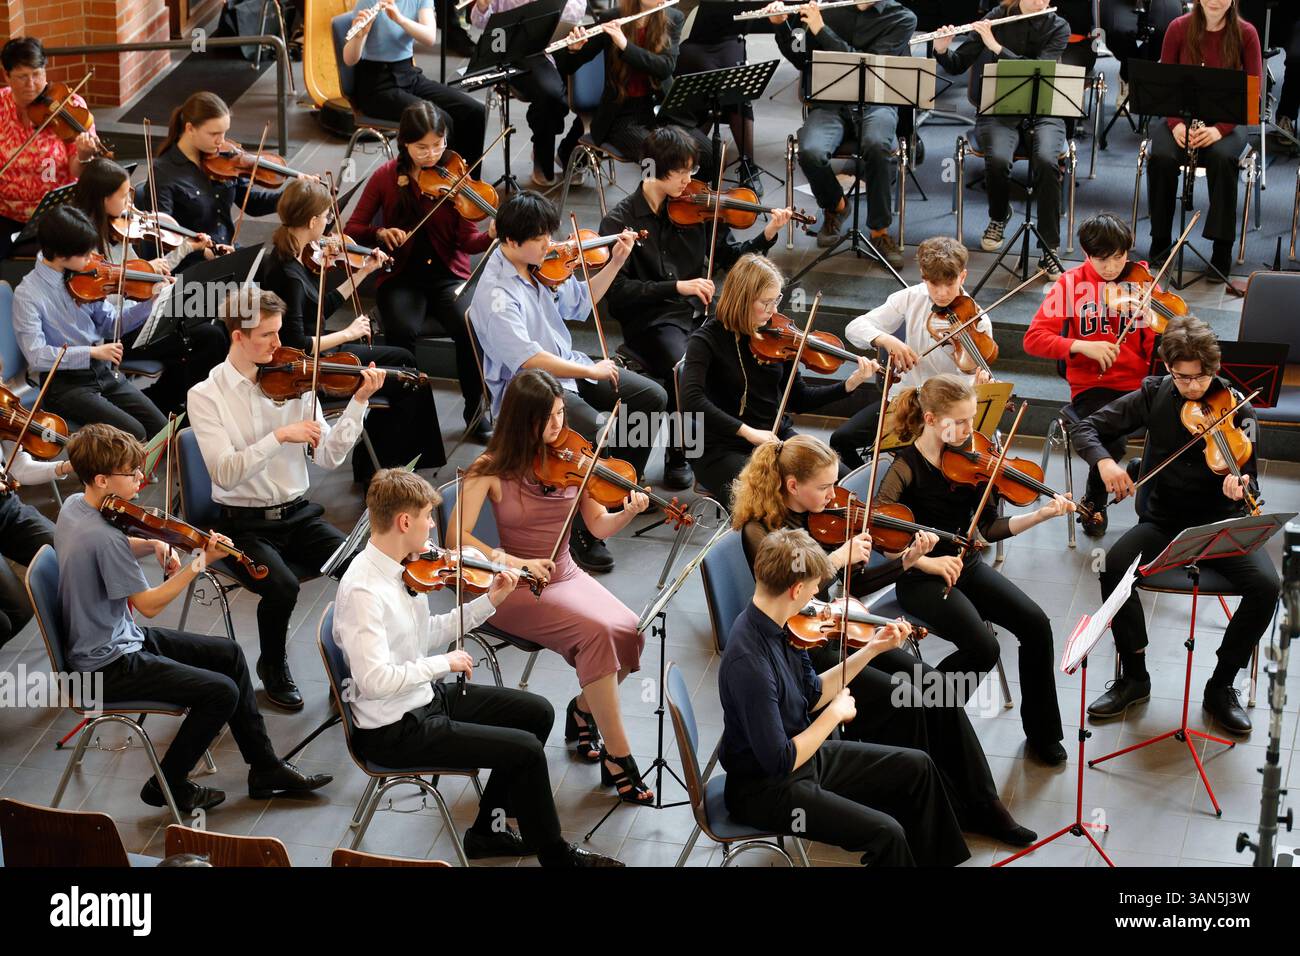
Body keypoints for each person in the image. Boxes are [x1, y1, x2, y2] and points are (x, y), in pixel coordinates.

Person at [730, 435, 1036, 846]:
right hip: (804, 652)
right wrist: (836, 558)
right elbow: (798, 598)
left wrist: (903, 564)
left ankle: (983, 803)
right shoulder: (759, 532)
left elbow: (852, 588)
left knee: (933, 688)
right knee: (904, 700)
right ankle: (933, 800)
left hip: (840, 627)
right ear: (790, 485)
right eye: (823, 487)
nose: (833, 495)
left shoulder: (820, 514)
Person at [335, 468, 623, 866]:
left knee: (536, 712)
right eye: (426, 517)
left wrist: (489, 602)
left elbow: (425, 629)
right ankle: (556, 856)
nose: (433, 525)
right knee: (523, 751)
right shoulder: (364, 591)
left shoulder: (406, 565)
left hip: (422, 698)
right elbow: (374, 680)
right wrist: (443, 663)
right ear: (404, 522)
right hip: (394, 728)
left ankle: (490, 830)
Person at [54, 423, 332, 813]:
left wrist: (153, 541)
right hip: (106, 664)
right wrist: (199, 562)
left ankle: (265, 769)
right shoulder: (103, 537)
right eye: (131, 473)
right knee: (222, 692)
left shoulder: (75, 507)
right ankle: (169, 783)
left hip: (113, 638)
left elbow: (109, 554)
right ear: (101, 479)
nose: (141, 479)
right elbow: (149, 604)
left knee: (230, 654)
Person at [456, 369, 655, 806]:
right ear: (521, 420)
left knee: (629, 628)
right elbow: (456, 538)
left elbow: (597, 523)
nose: (558, 427)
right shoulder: (488, 469)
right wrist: (512, 560)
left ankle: (583, 711)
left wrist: (628, 511)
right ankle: (620, 757)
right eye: (547, 418)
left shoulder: (571, 458)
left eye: (562, 414)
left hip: (563, 573)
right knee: (597, 634)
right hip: (512, 586)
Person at [1072, 316, 1278, 734]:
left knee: (1267, 587)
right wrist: (1106, 462)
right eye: (1181, 377)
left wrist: (1242, 486)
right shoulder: (1154, 393)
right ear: (1168, 369)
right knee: (1114, 569)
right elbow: (1085, 427)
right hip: (1166, 520)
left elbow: (1251, 474)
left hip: (1222, 522)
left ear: (1213, 369)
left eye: (1199, 378)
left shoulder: (1240, 408)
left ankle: (1220, 686)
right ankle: (1135, 676)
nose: (1191, 387)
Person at [718, 527, 971, 866]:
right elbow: (781, 759)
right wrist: (833, 716)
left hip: (804, 758)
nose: (815, 601)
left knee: (918, 767)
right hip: (768, 790)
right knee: (887, 833)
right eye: (812, 590)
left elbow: (812, 691)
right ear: (795, 590)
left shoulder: (783, 624)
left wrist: (871, 649)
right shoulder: (749, 663)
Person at [187, 288, 385, 710]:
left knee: (362, 568)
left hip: (298, 515)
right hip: (241, 522)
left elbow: (329, 457)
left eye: (278, 333)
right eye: (266, 336)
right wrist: (278, 437)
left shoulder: (297, 380)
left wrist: (358, 403)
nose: (280, 345)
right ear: (237, 337)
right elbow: (223, 472)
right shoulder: (206, 396)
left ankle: (352, 669)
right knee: (282, 586)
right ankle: (272, 666)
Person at [875, 374, 1071, 765]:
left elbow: (989, 528)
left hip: (967, 565)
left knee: (1035, 623)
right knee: (983, 648)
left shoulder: (971, 461)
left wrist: (1041, 514)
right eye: (960, 422)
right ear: (930, 419)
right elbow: (882, 538)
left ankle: (1043, 734)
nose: (970, 431)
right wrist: (929, 560)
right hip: (919, 578)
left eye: (972, 419)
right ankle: (931, 716)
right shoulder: (904, 468)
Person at [467, 190, 665, 572]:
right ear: (510, 241)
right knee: (594, 425)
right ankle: (580, 528)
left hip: (565, 368)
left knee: (650, 397)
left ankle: (611, 494)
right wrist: (591, 370)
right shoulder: (495, 297)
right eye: (541, 238)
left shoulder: (540, 266)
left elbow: (581, 303)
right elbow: (528, 360)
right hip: (528, 392)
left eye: (549, 234)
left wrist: (616, 262)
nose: (552, 244)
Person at [600, 125, 793, 489]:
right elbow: (619, 291)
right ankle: (680, 453)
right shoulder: (621, 220)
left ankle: (721, 451)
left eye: (692, 170)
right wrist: (677, 286)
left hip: (699, 315)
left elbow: (729, 258)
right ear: (656, 169)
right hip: (652, 320)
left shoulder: (697, 209)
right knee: (686, 368)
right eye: (683, 171)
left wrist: (766, 236)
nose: (690, 180)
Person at [258, 176, 446, 484]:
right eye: (327, 217)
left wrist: (364, 272)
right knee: (402, 380)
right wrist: (348, 333)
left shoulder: (295, 254)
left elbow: (321, 306)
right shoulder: (288, 273)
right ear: (312, 220)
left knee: (403, 358)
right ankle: (379, 468)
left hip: (321, 351)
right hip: (308, 367)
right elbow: (296, 343)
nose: (330, 223)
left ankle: (384, 462)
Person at [344, 101, 492, 438]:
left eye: (438, 144)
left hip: (447, 275)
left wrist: (491, 236)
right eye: (422, 147)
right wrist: (380, 233)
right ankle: (406, 410)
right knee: (401, 331)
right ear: (405, 144)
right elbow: (353, 228)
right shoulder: (385, 177)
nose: (431, 154)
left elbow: (468, 242)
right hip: (401, 276)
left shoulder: (457, 176)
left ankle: (475, 408)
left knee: (470, 327)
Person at [679, 253, 878, 502]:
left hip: (776, 436)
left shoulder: (777, 337)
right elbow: (691, 400)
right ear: (742, 300)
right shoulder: (706, 340)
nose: (774, 310)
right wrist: (748, 432)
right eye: (766, 302)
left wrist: (849, 384)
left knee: (839, 485)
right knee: (769, 501)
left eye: (777, 300)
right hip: (722, 447)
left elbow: (799, 399)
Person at [1023, 212, 1158, 536]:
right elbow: (1033, 340)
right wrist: (1082, 346)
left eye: (1119, 257)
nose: (1112, 268)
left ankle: (1151, 482)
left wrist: (1154, 320)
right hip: (1093, 387)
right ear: (1086, 254)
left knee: (1182, 422)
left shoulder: (1140, 281)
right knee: (1109, 437)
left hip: (1138, 385)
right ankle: (1095, 501)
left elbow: (1158, 350)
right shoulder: (1070, 285)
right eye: (1102, 260)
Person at [71, 157, 227, 417]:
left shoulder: (116, 231)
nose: (130, 205)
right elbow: (101, 302)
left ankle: (165, 401)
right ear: (101, 200)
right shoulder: (83, 246)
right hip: (120, 329)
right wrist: (147, 287)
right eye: (123, 197)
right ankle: (191, 413)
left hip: (143, 313)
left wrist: (186, 249)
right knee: (208, 338)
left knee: (214, 319)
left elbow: (144, 274)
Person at [765, 0, 916, 266]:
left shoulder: (902, 18)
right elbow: (801, 59)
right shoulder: (827, 11)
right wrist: (782, 27)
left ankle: (880, 230)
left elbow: (868, 67)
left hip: (876, 101)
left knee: (878, 146)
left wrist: (822, 30)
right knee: (809, 150)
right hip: (830, 102)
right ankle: (836, 206)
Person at [932, 0, 1070, 280]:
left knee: (1046, 161)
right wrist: (942, 48)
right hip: (1000, 107)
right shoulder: (997, 17)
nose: (1040, 2)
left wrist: (996, 48)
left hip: (1045, 108)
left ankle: (1049, 247)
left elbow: (1040, 68)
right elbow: (958, 65)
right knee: (997, 160)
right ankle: (998, 216)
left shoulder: (1058, 26)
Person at [12, 205, 169, 442]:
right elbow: (36, 355)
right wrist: (93, 351)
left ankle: (130, 470)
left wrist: (151, 302)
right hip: (65, 386)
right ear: (61, 255)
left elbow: (110, 323)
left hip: (102, 372)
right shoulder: (28, 295)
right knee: (133, 433)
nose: (90, 259)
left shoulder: (85, 277)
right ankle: (119, 474)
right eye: (84, 255)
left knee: (162, 429)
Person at [839, 235, 993, 469]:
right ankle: (868, 489)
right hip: (906, 402)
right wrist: (885, 339)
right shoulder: (911, 297)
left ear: (963, 276)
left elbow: (974, 378)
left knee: (929, 467)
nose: (941, 294)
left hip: (947, 412)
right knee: (841, 440)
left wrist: (979, 385)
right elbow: (854, 328)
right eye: (934, 284)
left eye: (949, 284)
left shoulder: (977, 320)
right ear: (923, 275)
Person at [1146, 0, 1262, 282]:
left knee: (1223, 158)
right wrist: (1175, 125)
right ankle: (1160, 239)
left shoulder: (1247, 34)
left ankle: (1222, 249)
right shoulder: (1177, 28)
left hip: (1228, 121)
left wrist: (1219, 130)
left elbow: (1251, 95)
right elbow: (1164, 84)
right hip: (1179, 118)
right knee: (1161, 155)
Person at [553, 0, 711, 175]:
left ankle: (688, 198)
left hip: (664, 111)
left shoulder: (673, 17)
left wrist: (625, 46)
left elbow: (665, 67)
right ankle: (653, 200)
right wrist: (573, 50)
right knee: (657, 160)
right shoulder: (612, 18)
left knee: (710, 156)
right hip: (624, 116)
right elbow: (569, 66)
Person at [144, 92, 287, 272]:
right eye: (214, 134)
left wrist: (292, 196)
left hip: (228, 251)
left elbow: (252, 203)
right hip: (191, 266)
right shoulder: (163, 171)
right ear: (190, 128)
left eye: (224, 132)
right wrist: (201, 252)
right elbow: (162, 236)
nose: (221, 141)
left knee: (283, 269)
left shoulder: (225, 159)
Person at [342, 0, 487, 160]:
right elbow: (349, 59)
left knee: (474, 111)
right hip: (376, 86)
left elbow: (429, 37)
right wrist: (359, 36)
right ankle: (440, 181)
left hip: (408, 74)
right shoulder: (368, 2)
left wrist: (399, 19)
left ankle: (467, 179)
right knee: (440, 120)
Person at [468, 0, 586, 186]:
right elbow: (480, 22)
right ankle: (543, 153)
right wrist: (482, 5)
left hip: (560, 43)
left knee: (605, 78)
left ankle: (570, 149)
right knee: (551, 95)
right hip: (517, 52)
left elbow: (577, 10)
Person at [0, 37, 97, 260]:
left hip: (55, 213)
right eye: (23, 77)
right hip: (5, 213)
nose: (32, 84)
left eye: (37, 74)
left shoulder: (70, 106)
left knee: (67, 260)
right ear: (7, 76)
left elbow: (76, 172)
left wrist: (83, 156)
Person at [0, 446, 71, 649]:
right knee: (17, 612)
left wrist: (66, 467)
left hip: (5, 508)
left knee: (70, 553)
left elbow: (20, 468)